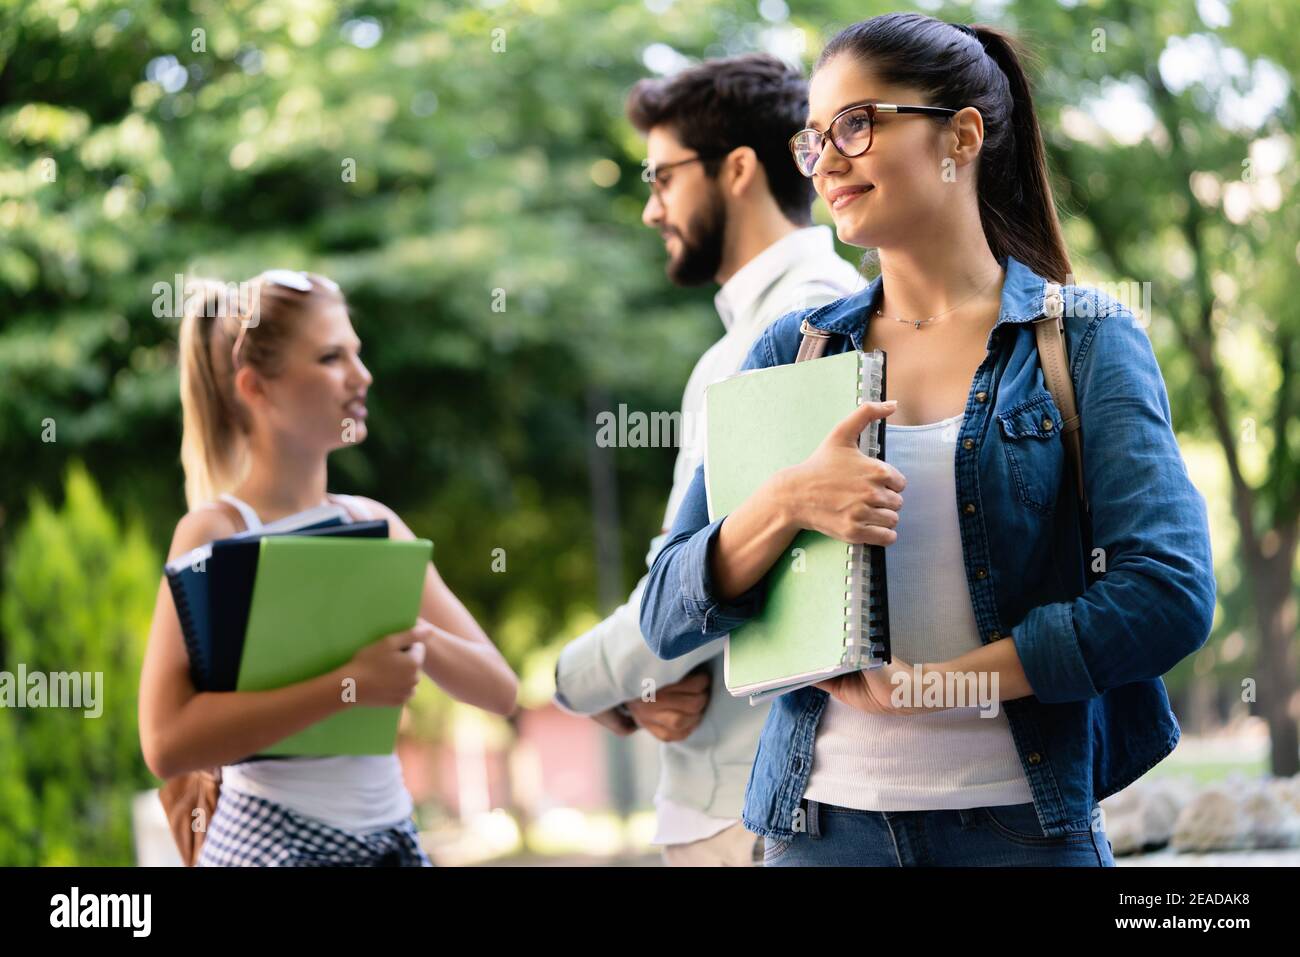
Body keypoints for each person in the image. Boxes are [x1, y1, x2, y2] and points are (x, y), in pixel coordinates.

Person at [639, 13, 1216, 867]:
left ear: (963, 136)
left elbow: (1168, 592)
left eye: (857, 124)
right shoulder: (791, 351)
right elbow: (665, 608)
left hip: (1021, 833)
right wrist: (788, 499)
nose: (827, 159)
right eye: (813, 137)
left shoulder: (1084, 340)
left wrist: (945, 683)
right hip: (817, 833)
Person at [552, 53, 863, 866]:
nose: (652, 209)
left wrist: (576, 681)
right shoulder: (770, 328)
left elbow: (689, 589)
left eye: (661, 178)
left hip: (753, 802)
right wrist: (636, 690)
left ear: (736, 170)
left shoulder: (798, 325)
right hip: (743, 789)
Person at [139, 270, 519, 866]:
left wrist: (410, 638)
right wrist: (350, 686)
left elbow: (499, 689)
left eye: (356, 354)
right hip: (271, 844)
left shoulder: (377, 524)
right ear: (256, 387)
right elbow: (165, 744)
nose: (361, 377)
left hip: (392, 841)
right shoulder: (215, 532)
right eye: (330, 357)